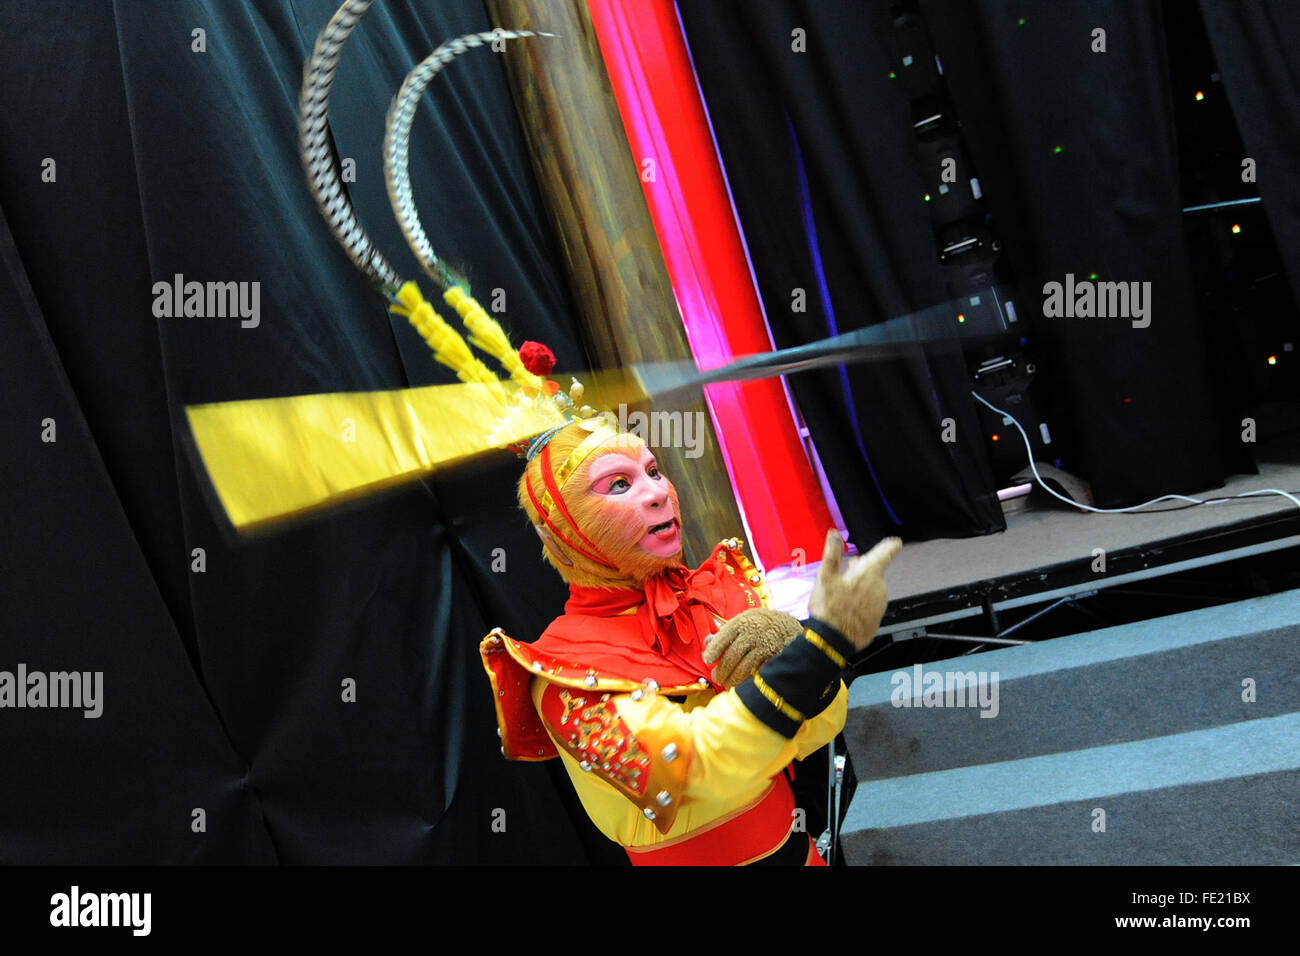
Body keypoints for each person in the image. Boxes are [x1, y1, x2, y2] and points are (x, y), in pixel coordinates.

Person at [481, 417, 900, 865]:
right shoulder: (563, 671)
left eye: (654, 470)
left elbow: (812, 733)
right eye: (618, 484)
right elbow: (695, 770)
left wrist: (794, 648)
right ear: (560, 535)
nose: (658, 492)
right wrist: (818, 648)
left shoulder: (707, 598)